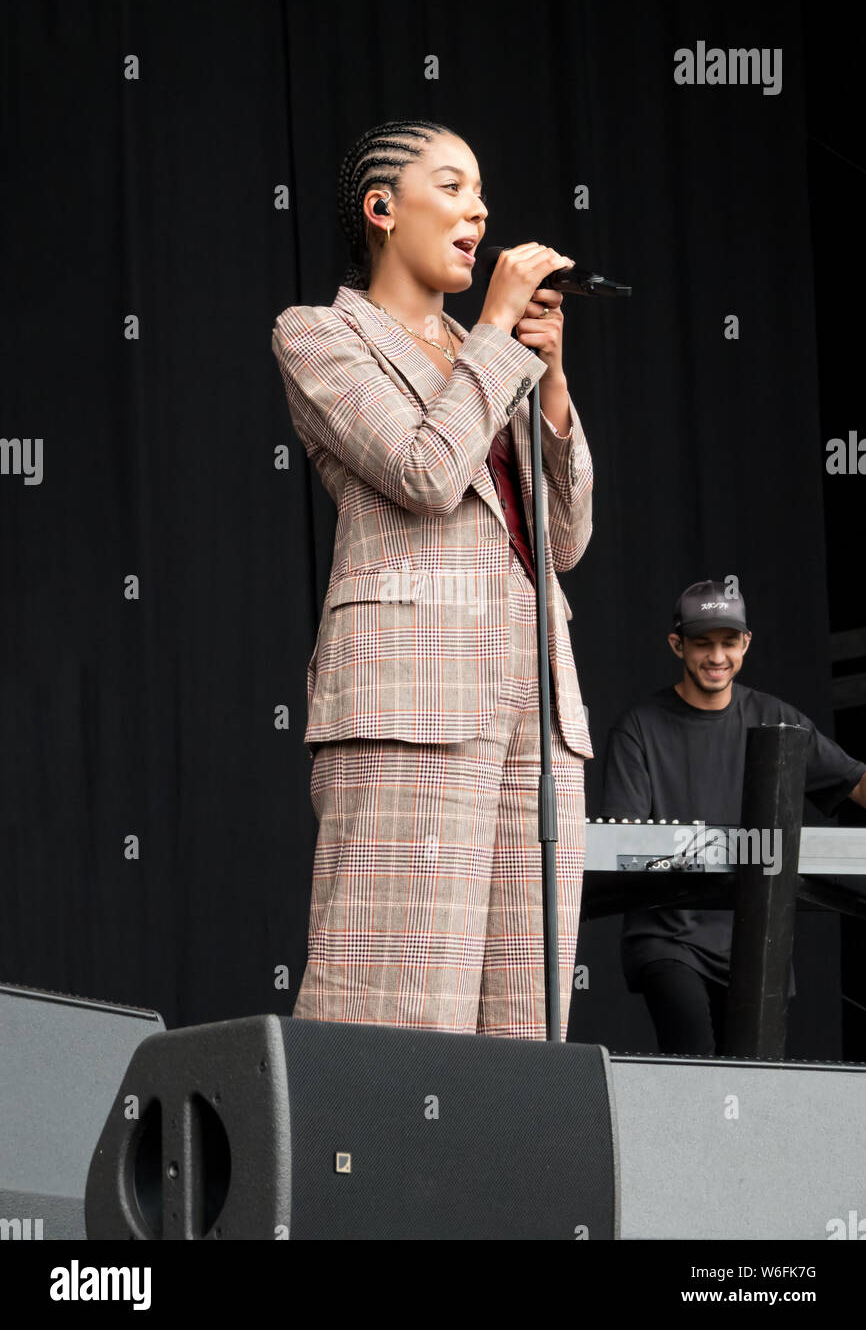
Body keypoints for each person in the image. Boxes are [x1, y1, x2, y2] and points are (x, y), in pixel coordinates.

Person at [270, 119, 594, 1039]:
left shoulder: (491, 359)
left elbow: (563, 543)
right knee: (401, 1008)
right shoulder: (321, 336)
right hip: (412, 694)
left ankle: (504, 1185)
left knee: (525, 1028)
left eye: (480, 192)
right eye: (451, 187)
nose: (479, 209)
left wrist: (553, 383)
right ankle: (361, 1184)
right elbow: (421, 471)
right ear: (381, 209)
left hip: (536, 698)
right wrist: (496, 333)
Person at [601, 578, 866, 1056]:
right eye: (703, 644)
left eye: (729, 642)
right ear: (677, 645)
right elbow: (626, 846)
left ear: (746, 643)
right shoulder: (638, 727)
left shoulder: (776, 718)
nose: (717, 656)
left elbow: (853, 780)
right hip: (669, 936)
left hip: (756, 934)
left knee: (756, 1085)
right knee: (694, 1064)